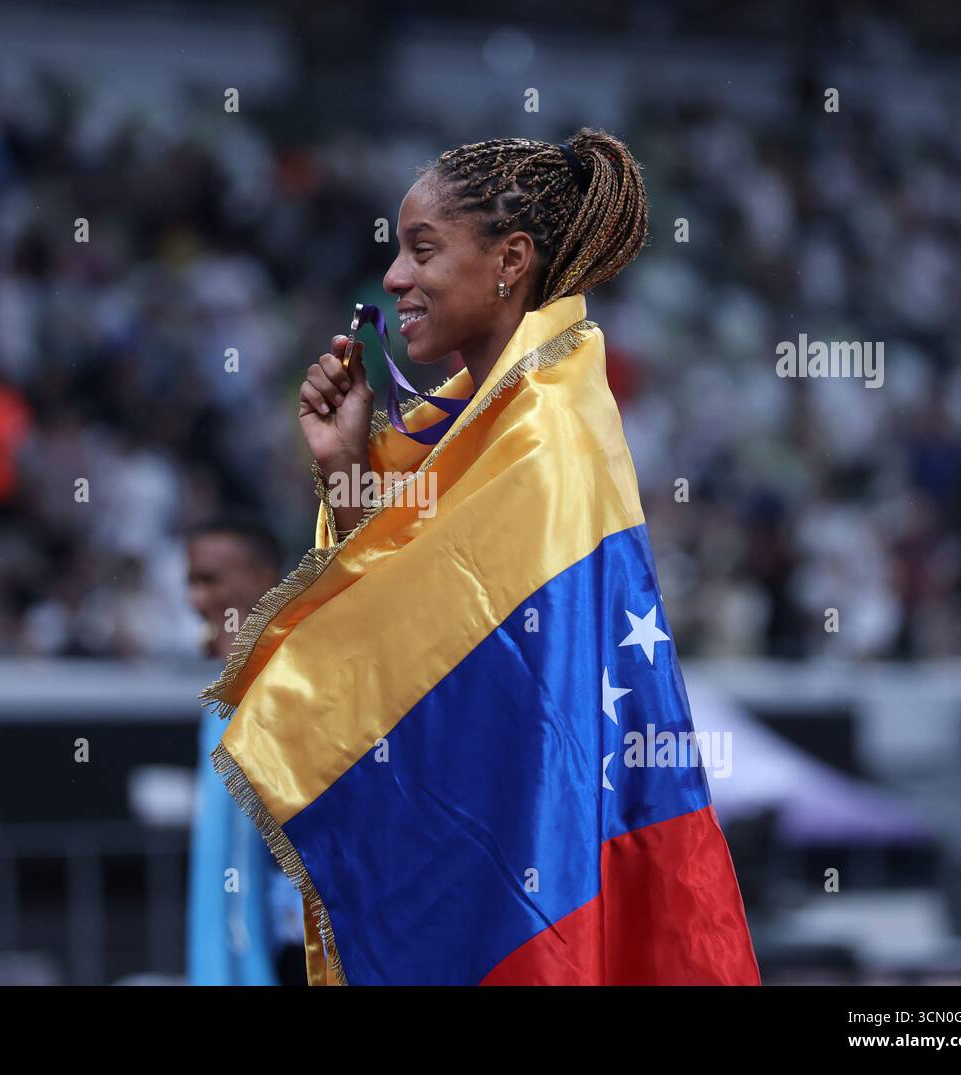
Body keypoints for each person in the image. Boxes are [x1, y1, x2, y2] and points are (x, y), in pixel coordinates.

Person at [201, 129, 760, 985]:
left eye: (423, 249)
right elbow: (407, 652)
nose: (393, 278)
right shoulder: (471, 432)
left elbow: (415, 666)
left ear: (511, 259)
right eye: (396, 251)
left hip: (540, 882)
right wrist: (349, 469)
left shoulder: (545, 431)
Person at [184, 517, 307, 985]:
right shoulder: (222, 692)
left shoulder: (300, 673)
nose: (196, 600)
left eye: (210, 580)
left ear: (263, 579)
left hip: (300, 948)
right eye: (191, 582)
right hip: (256, 948)